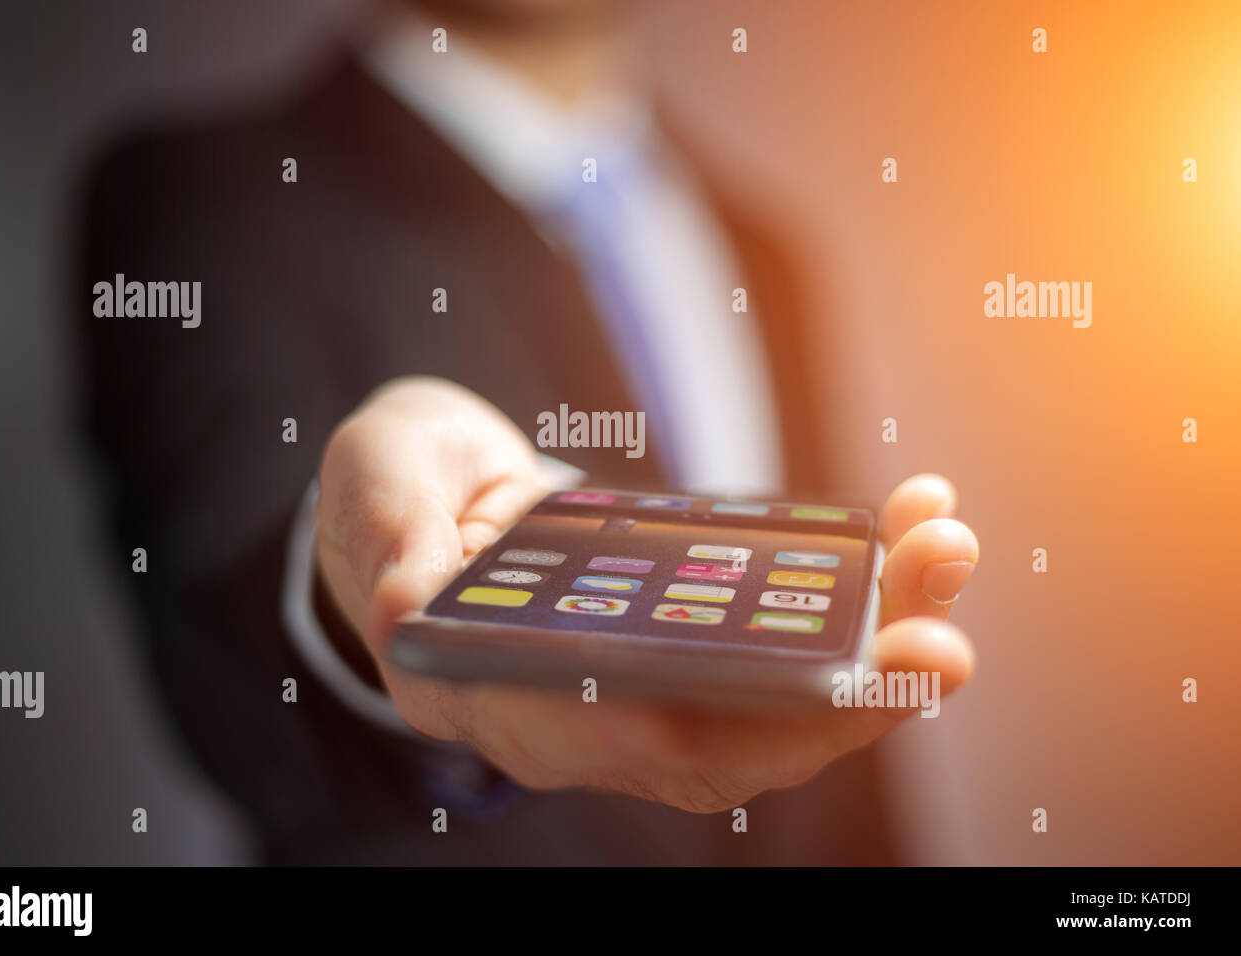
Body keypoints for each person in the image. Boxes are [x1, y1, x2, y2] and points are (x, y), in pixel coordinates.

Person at [74, 0, 977, 863]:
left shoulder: (766, 253)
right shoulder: (211, 193)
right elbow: (232, 637)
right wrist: (361, 592)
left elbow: (843, 698)